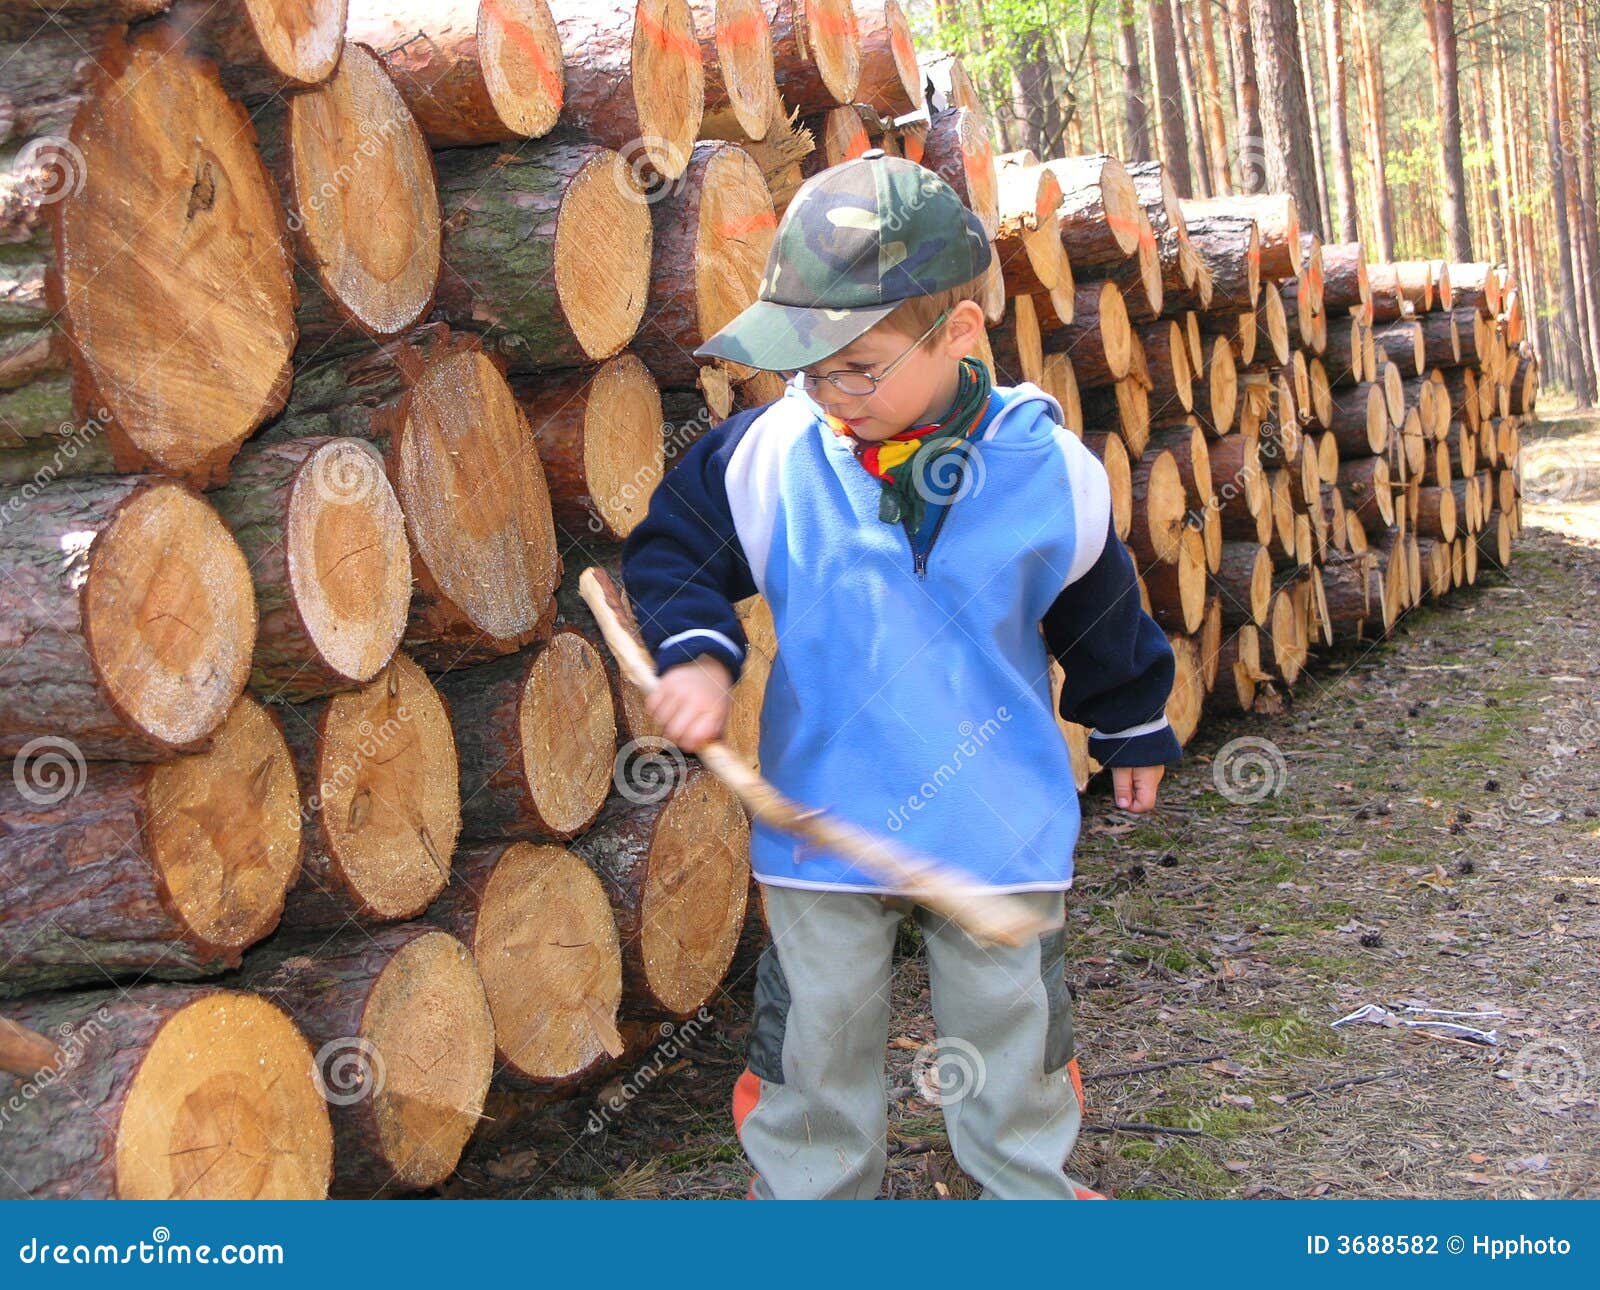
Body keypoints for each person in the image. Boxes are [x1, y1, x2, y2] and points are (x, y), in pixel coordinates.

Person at [619, 149, 1183, 1199]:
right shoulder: (768, 455)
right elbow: (673, 553)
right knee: (814, 1042)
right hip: (822, 819)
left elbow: (1100, 611)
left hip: (992, 823)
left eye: (857, 367)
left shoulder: (1046, 470)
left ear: (959, 333)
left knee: (1008, 1031)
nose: (828, 394)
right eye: (807, 368)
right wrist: (695, 651)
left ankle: (1025, 1196)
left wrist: (1132, 720)